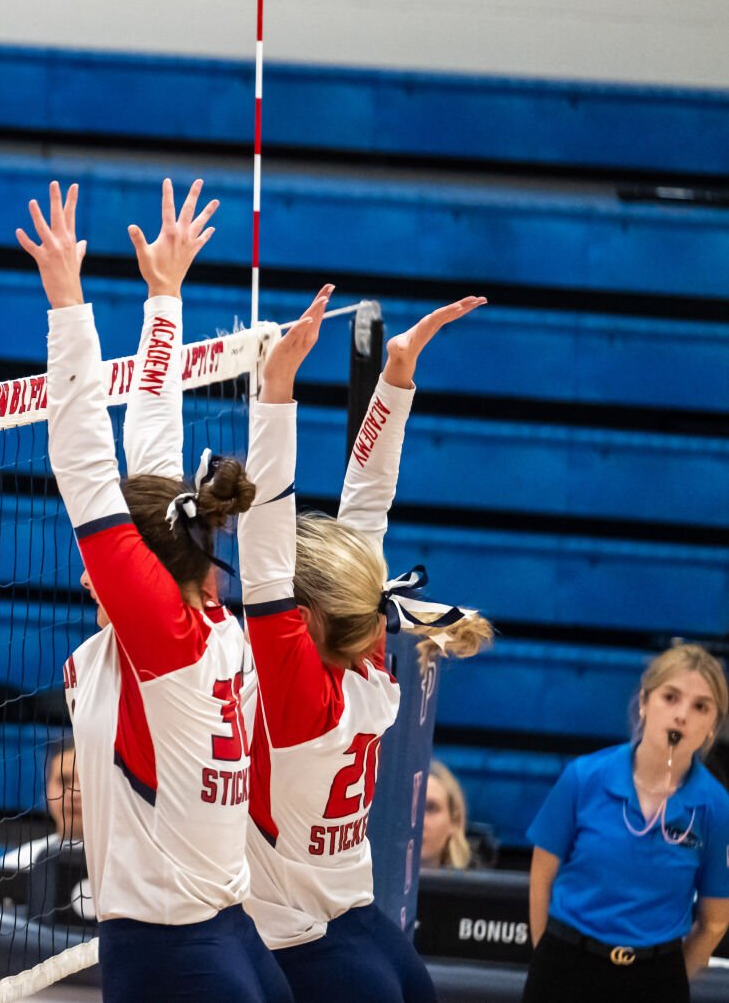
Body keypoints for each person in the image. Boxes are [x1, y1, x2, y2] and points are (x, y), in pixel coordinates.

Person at [17, 178, 290, 1003]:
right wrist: (162, 299)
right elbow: (153, 468)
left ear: (142, 570)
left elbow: (87, 466)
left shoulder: (163, 643)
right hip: (232, 944)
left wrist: (67, 301)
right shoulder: (213, 625)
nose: (86, 570)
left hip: (177, 963)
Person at [238, 283, 492, 1003]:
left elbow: (268, 539)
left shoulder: (300, 698)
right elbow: (367, 503)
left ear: (302, 612)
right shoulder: (369, 655)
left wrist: (277, 389)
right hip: (369, 932)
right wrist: (398, 372)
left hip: (308, 952)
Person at [524, 644, 729, 1001]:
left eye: (701, 707)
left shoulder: (716, 806)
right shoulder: (583, 777)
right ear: (645, 702)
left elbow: (714, 921)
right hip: (566, 965)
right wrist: (548, 958)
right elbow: (541, 878)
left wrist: (670, 979)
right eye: (671, 697)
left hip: (655, 977)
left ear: (713, 725)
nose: (682, 715)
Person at [1, 736, 94, 921]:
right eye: (64, 781)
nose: (74, 793)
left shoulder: (134, 869)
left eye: (87, 780)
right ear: (47, 788)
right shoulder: (18, 863)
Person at [422, 759, 473, 871]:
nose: (419, 822)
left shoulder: (477, 887)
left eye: (431, 808)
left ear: (455, 821)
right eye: (408, 808)